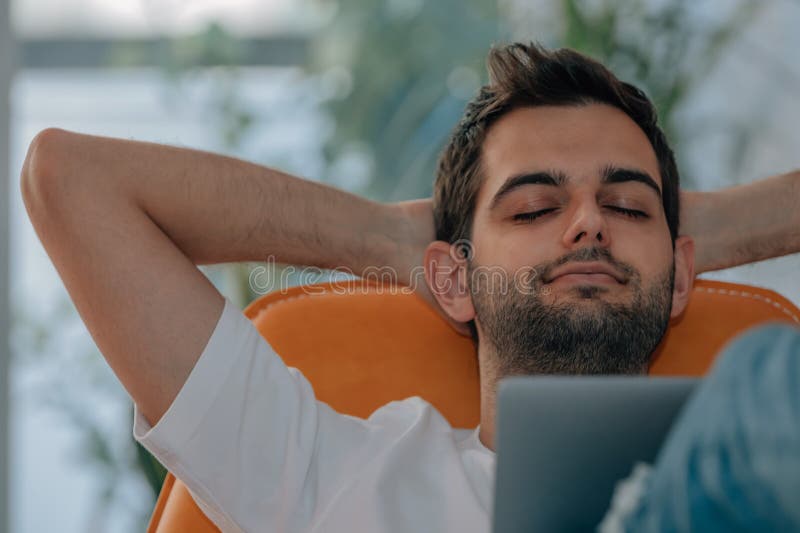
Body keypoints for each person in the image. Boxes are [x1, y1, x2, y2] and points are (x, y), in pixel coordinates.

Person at [20, 42, 799, 532]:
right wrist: (392, 240)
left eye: (626, 205)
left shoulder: (759, 439)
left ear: (682, 273)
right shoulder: (325, 476)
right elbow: (72, 180)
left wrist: (697, 235)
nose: (589, 224)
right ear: (452, 278)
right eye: (534, 206)